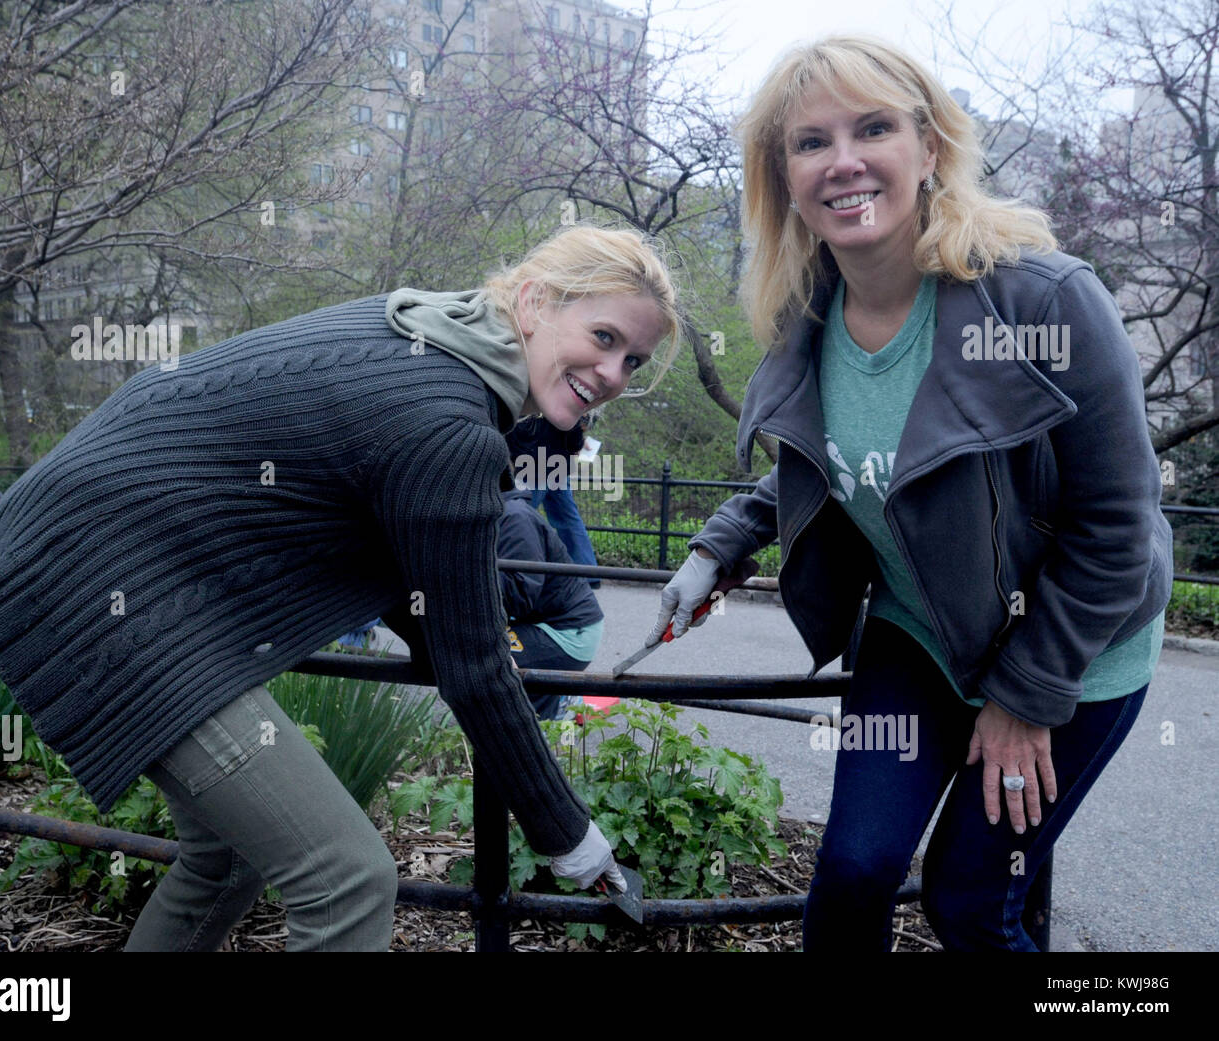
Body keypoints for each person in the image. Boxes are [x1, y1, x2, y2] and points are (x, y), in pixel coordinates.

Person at [0, 222, 682, 951]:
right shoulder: (449, 419)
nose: (615, 372)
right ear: (532, 300)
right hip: (102, 582)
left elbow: (421, 593)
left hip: (79, 549)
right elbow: (476, 668)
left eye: (635, 358)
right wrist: (575, 840)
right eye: (603, 335)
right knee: (348, 881)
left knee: (229, 857)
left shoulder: (421, 329)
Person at [649, 35, 1172, 952]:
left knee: (972, 898)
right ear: (785, 177)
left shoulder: (1041, 301)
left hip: (1074, 647)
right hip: (917, 632)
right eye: (810, 142)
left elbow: (1121, 527)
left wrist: (1027, 692)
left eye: (875, 128)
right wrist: (716, 547)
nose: (843, 161)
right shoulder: (804, 313)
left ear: (930, 148)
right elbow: (828, 463)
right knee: (852, 871)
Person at [498, 486, 604, 720]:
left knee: (488, 652)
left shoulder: (515, 518)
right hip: (544, 621)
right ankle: (553, 695)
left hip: (567, 632)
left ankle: (559, 704)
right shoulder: (497, 515)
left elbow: (519, 595)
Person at [505, 414, 602, 588]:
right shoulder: (557, 398)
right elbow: (570, 425)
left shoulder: (533, 399)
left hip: (533, 466)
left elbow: (516, 430)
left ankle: (515, 570)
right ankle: (587, 572)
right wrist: (577, 444)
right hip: (557, 465)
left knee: (520, 519)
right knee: (568, 520)